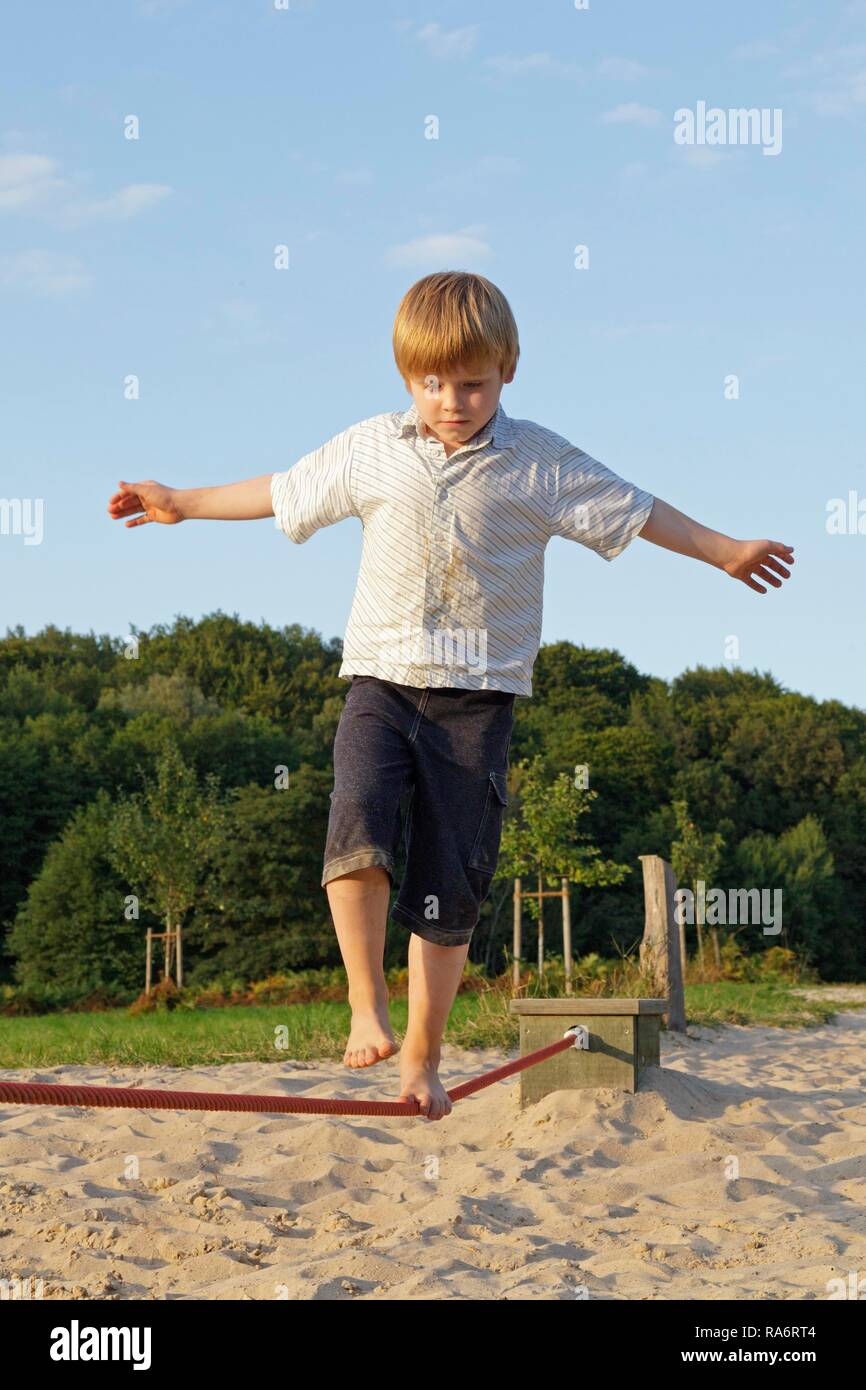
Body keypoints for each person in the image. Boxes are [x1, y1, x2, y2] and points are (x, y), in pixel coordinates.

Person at [107, 270, 794, 1120]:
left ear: (508, 369)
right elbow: (284, 491)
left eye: (471, 383)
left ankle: (424, 1057)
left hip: (477, 701)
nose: (452, 400)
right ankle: (366, 1002)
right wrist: (181, 501)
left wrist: (723, 548)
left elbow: (636, 511)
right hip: (381, 682)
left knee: (450, 882)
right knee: (356, 821)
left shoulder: (539, 461)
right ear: (407, 377)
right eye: (432, 383)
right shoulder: (370, 449)